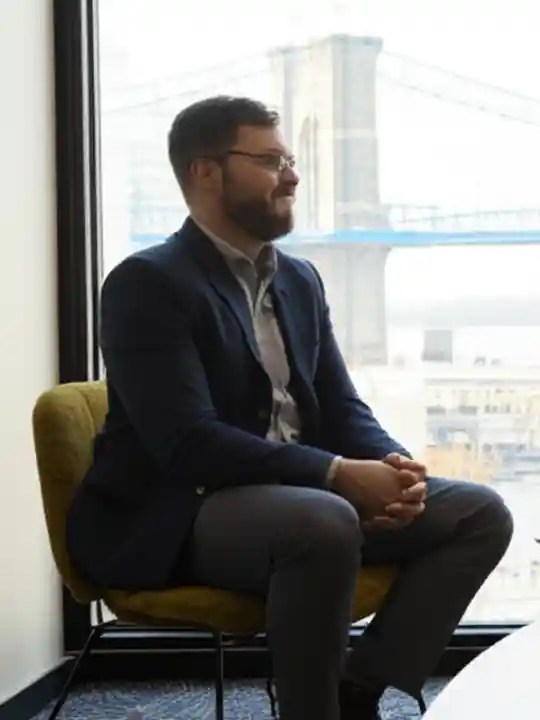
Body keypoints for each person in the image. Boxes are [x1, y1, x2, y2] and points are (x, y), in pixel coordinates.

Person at [66, 95, 514, 720]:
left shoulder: (299, 279)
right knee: (322, 520)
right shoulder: (148, 284)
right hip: (176, 509)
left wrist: (395, 470)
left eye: (290, 159)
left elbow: (339, 404)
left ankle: (358, 690)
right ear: (206, 172)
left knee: (478, 512)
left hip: (299, 496)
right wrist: (338, 475)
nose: (294, 175)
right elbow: (189, 444)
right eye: (271, 159)